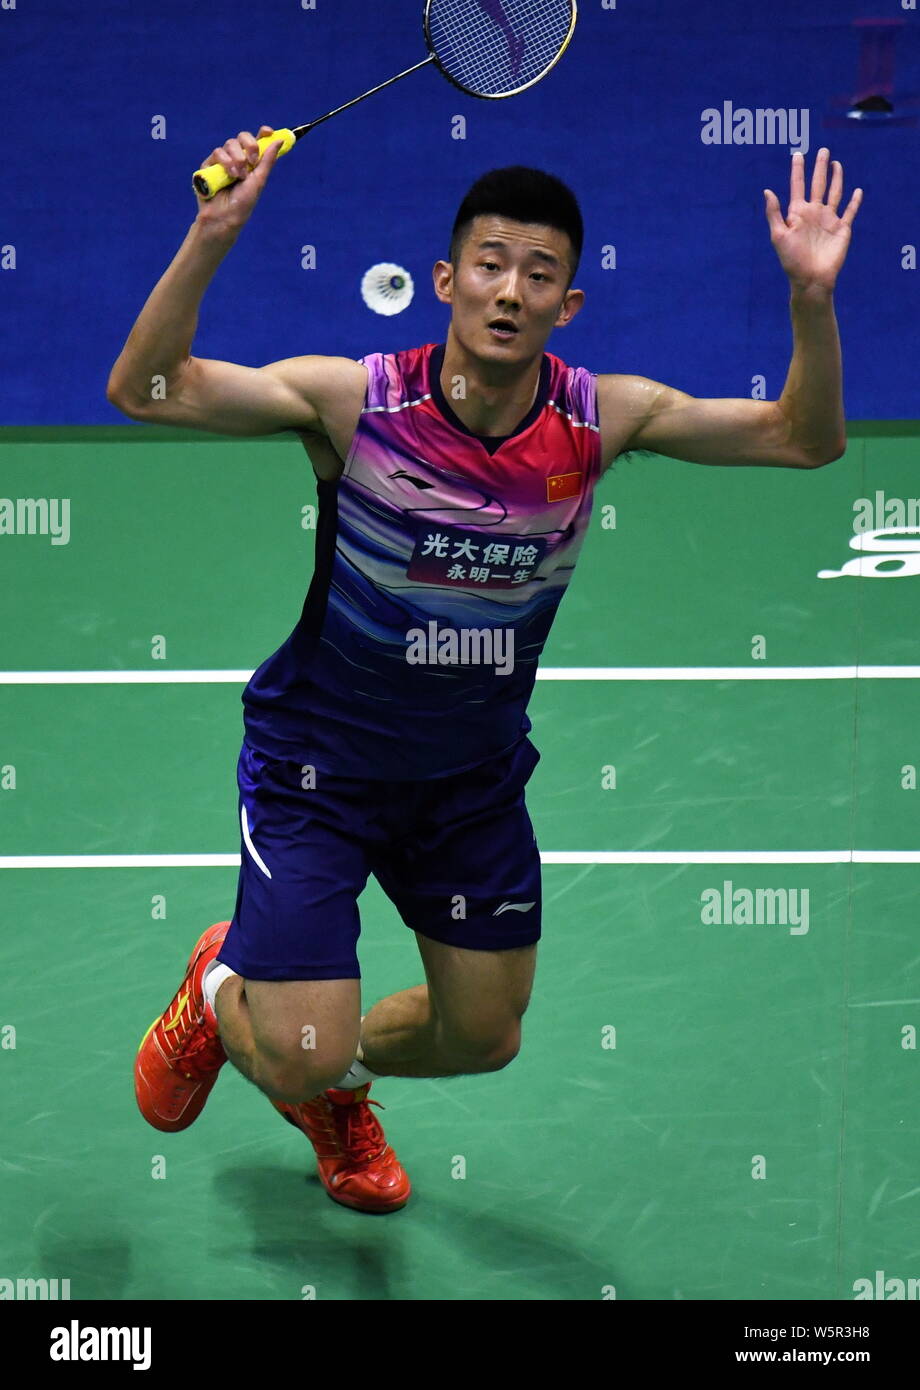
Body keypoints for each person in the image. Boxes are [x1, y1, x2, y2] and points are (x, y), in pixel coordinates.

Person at [107, 130, 861, 1214]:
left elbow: (804, 439)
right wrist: (211, 232)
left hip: (465, 781)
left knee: (482, 1037)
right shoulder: (356, 404)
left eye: (540, 273)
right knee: (300, 1048)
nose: (511, 290)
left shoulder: (604, 420)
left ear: (569, 306)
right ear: (446, 281)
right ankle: (225, 990)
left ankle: (324, 1067)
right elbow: (147, 388)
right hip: (318, 766)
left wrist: (807, 298)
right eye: (491, 264)